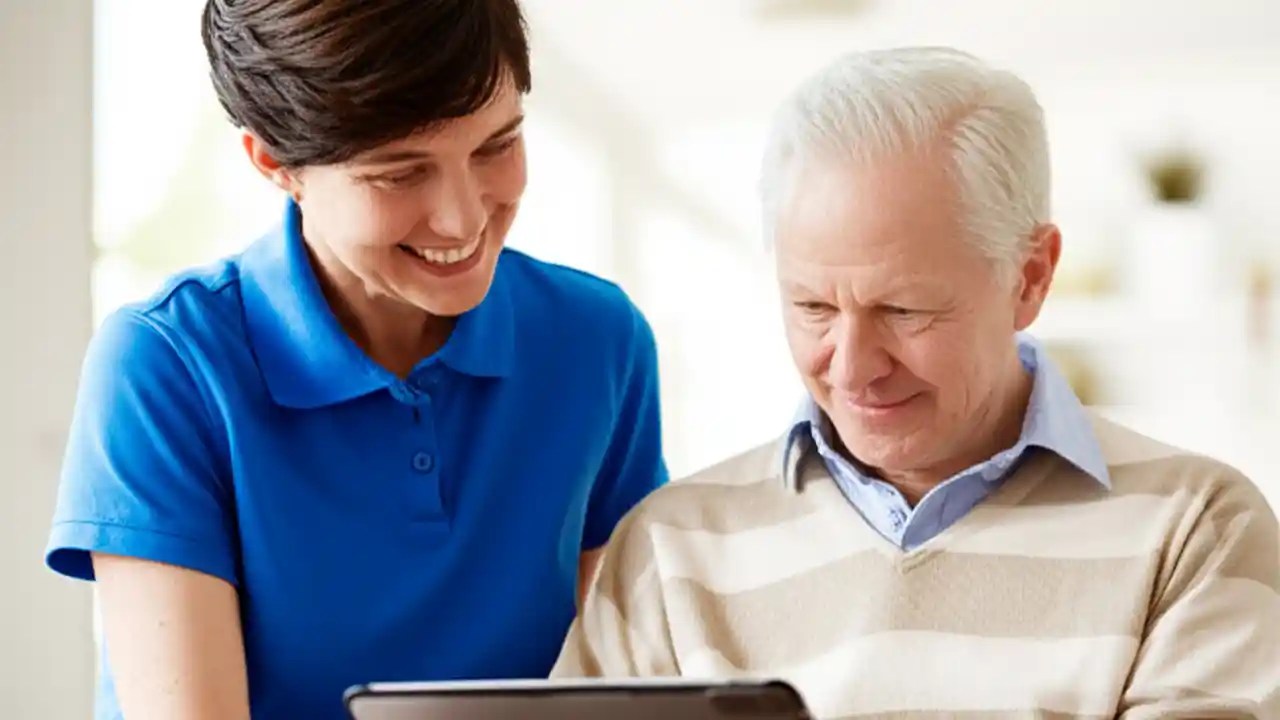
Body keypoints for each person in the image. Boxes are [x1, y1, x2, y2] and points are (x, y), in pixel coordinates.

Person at [553, 47, 1280, 719]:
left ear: (1030, 276)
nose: (851, 366)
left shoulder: (1196, 531)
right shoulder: (671, 548)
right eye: (812, 307)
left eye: (903, 310)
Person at [44, 1, 667, 718]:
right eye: (399, 174)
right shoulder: (166, 368)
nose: (462, 220)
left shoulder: (595, 342)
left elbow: (625, 688)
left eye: (496, 146)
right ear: (276, 162)